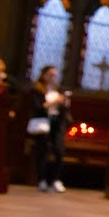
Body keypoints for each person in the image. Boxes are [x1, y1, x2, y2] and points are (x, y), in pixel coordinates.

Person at [29, 65, 71, 193]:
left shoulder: (59, 89)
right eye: (50, 74)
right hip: (43, 122)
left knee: (59, 151)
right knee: (43, 151)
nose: (53, 77)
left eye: (55, 75)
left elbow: (65, 108)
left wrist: (64, 103)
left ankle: (55, 180)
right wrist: (53, 101)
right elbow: (38, 107)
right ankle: (42, 180)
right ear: (43, 75)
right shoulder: (37, 89)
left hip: (57, 123)